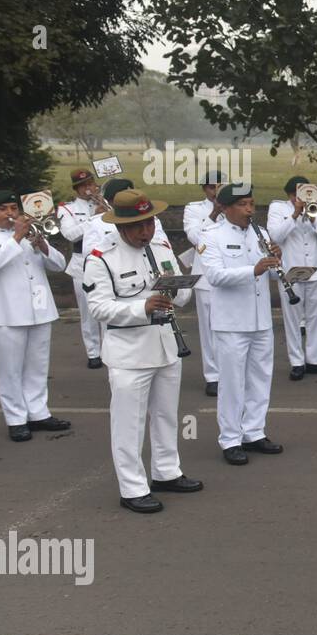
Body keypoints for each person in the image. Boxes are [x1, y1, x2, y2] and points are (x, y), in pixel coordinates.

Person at [83, 189, 202, 512]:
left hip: (165, 344)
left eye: (149, 223)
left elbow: (182, 297)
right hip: (129, 352)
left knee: (165, 415)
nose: (145, 231)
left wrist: (176, 291)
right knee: (129, 423)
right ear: (121, 226)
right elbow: (99, 308)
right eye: (138, 226)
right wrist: (142, 307)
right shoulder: (100, 258)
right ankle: (132, 488)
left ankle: (166, 472)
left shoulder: (161, 247)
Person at [199, 182, 284, 465]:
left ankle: (255, 432)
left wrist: (276, 261)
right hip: (232, 322)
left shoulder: (260, 232)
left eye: (252, 204)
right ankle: (231, 439)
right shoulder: (211, 236)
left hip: (260, 318)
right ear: (224, 208)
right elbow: (214, 276)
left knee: (261, 378)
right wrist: (254, 269)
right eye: (243, 205)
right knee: (232, 383)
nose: (250, 210)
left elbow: (271, 275)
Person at [0, 188, 71, 442]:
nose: (10, 213)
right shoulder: (5, 236)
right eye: (3, 209)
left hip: (39, 310)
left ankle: (38, 413)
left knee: (38, 367)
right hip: (6, 314)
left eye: (13, 208)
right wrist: (16, 238)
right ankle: (16, 419)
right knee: (10, 371)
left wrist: (43, 245)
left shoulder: (29, 235)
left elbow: (60, 265)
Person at [268, 175, 317, 381]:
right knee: (292, 320)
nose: (305, 198)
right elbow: (275, 236)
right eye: (299, 195)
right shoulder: (278, 209)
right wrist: (296, 214)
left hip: (316, 271)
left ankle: (315, 360)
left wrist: (314, 217)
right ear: (291, 195)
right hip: (291, 272)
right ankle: (297, 362)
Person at [55, 168, 107, 368]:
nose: (89, 188)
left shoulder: (104, 203)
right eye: (84, 186)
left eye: (91, 184)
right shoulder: (67, 209)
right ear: (77, 189)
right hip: (81, 265)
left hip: (106, 261)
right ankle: (93, 353)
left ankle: (109, 349)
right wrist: (94, 217)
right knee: (88, 312)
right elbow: (71, 235)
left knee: (108, 307)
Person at [183, 171, 224, 396]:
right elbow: (196, 238)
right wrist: (215, 212)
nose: (215, 191)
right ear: (204, 189)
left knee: (230, 327)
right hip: (206, 277)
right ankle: (212, 375)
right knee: (208, 329)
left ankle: (231, 372)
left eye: (219, 186)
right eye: (211, 187)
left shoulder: (234, 205)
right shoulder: (193, 209)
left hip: (230, 274)